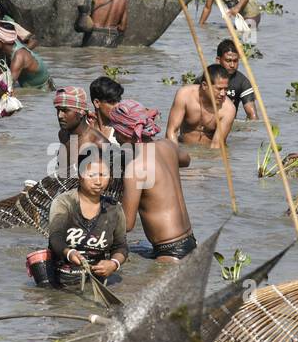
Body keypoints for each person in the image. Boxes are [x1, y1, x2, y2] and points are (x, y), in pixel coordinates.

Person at [110, 100, 196, 261]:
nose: (114, 136)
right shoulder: (167, 146)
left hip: (169, 252)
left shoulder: (135, 168)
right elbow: (186, 160)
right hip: (189, 241)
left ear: (128, 132)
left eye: (116, 130)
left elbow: (127, 224)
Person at [47, 144, 129, 288]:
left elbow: (121, 247)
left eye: (103, 175)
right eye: (91, 175)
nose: (98, 181)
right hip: (62, 281)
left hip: (97, 280)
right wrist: (69, 253)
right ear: (80, 175)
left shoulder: (114, 209)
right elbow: (55, 237)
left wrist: (113, 264)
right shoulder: (64, 202)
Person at [168, 64, 236, 148]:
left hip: (208, 154)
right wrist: (177, 156)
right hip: (183, 148)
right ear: (204, 85)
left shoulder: (228, 109)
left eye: (226, 89)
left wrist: (208, 159)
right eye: (219, 89)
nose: (223, 93)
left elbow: (216, 145)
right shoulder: (184, 95)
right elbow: (171, 132)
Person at [55, 85, 110, 155]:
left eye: (65, 111)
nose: (60, 116)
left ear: (81, 112)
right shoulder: (63, 134)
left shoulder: (98, 143)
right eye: (58, 110)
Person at [214, 40, 257, 119]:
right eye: (228, 61)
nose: (232, 65)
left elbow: (252, 116)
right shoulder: (206, 78)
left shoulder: (243, 82)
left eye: (235, 61)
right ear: (218, 60)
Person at [90, 76, 124, 141]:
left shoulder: (122, 131)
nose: (117, 106)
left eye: (118, 101)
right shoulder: (84, 127)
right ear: (97, 103)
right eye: (112, 102)